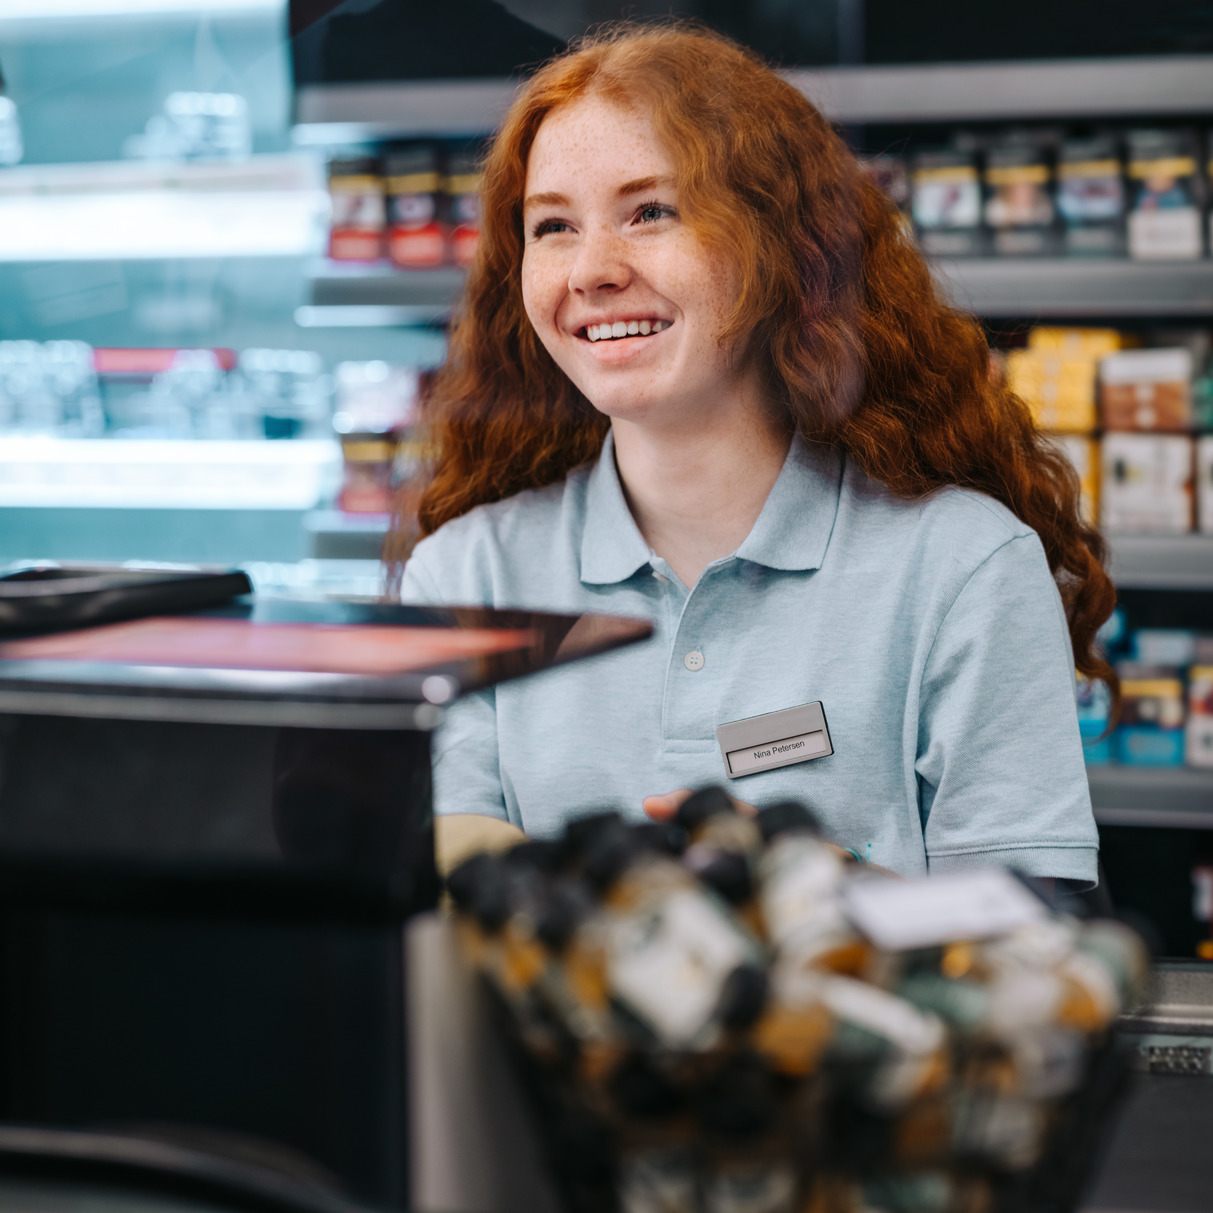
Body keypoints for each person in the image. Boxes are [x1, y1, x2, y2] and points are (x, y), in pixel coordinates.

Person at [399, 23, 1115, 884]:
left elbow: (1042, 944)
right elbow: (443, 902)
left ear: (782, 245)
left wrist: (811, 887)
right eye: (552, 226)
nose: (591, 269)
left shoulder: (962, 566)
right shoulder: (463, 578)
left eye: (651, 211)